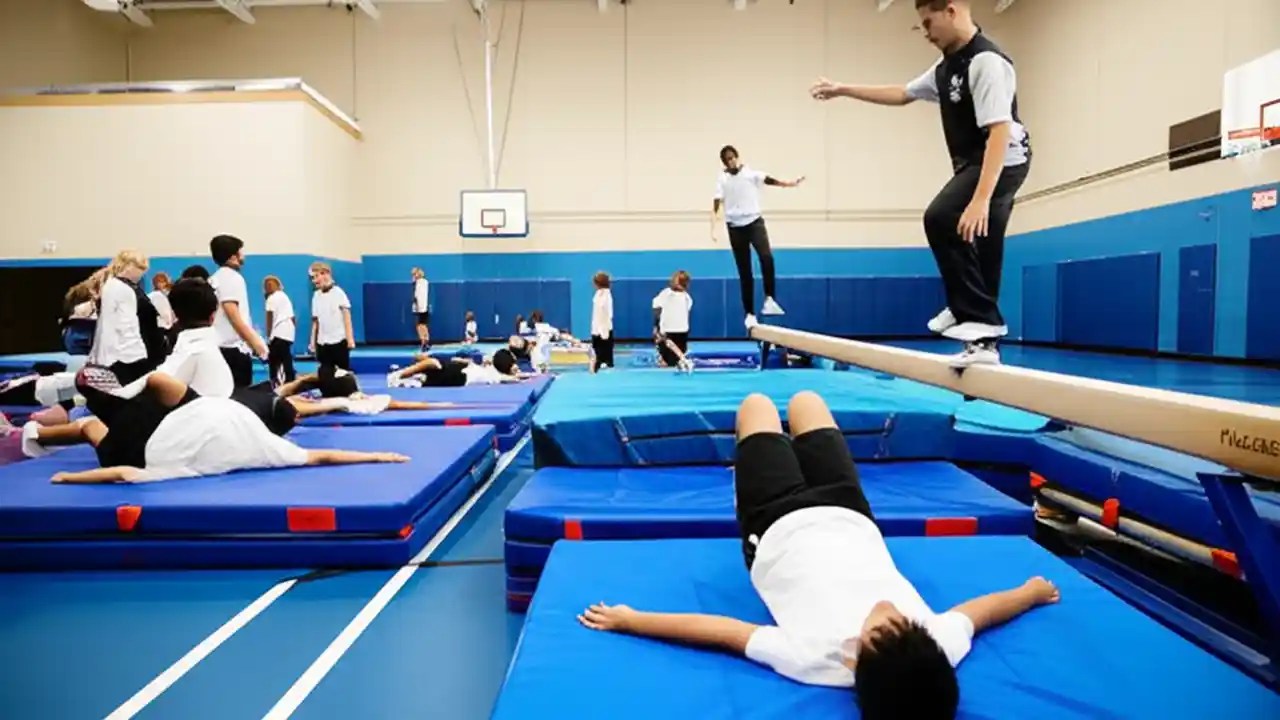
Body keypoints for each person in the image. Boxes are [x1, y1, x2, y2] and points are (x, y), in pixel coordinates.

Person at [578, 392, 1060, 719]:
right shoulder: (935, 648)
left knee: (757, 407)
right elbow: (978, 613)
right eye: (904, 622)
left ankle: (756, 448)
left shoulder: (810, 657)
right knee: (808, 403)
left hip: (774, 520)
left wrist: (631, 619)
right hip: (848, 509)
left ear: (854, 663)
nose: (888, 611)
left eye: (877, 628)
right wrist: (1030, 592)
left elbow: (722, 632)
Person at [809, 0, 1031, 368]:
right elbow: (902, 93)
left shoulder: (986, 62)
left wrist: (979, 200)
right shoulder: (946, 69)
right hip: (977, 164)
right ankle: (983, 341)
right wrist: (843, 89)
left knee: (942, 217)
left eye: (929, 23)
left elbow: (999, 131)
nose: (926, 33)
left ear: (953, 10)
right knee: (984, 250)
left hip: (1003, 159)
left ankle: (973, 314)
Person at [34, 372, 407, 484]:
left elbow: (124, 473)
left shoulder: (256, 422)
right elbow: (320, 456)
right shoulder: (266, 445)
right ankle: (44, 433)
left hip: (166, 427)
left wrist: (71, 476)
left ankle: (35, 436)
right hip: (162, 434)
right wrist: (70, 477)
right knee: (90, 428)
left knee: (97, 423)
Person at [712, 145, 803, 329]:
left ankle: (769, 299)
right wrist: (714, 226)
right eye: (727, 160)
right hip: (735, 228)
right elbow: (716, 202)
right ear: (724, 163)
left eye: (733, 158)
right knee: (745, 273)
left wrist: (790, 183)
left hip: (754, 222)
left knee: (766, 257)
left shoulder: (750, 174)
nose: (731, 162)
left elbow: (770, 180)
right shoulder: (722, 179)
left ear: (737, 157)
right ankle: (750, 314)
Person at [89, 251, 166, 385]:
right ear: (128, 265)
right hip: (130, 357)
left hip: (131, 353)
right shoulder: (122, 288)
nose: (143, 272)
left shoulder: (118, 286)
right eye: (141, 268)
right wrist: (137, 355)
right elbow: (127, 325)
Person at [209, 235, 268, 387]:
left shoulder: (216, 278)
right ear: (233, 257)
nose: (244, 255)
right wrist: (257, 345)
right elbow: (233, 316)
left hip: (220, 347)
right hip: (232, 350)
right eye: (241, 251)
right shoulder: (232, 278)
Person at [384, 349, 527, 388]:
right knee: (432, 366)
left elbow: (513, 378)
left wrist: (521, 375)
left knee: (433, 365)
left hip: (460, 377)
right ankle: (403, 374)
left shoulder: (495, 376)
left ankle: (399, 374)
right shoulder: (490, 367)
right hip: (462, 368)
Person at [309, 262, 355, 372]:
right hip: (323, 342)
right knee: (325, 373)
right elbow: (316, 322)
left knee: (342, 374)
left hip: (338, 340)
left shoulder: (338, 293)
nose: (314, 281)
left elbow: (346, 316)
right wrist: (312, 341)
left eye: (316, 277)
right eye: (312, 278)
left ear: (325, 274)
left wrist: (350, 339)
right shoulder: (316, 296)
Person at [652, 270, 693, 369]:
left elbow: (656, 307)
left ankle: (677, 360)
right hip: (676, 332)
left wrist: (656, 326)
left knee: (670, 361)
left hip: (672, 331)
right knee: (673, 360)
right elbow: (656, 307)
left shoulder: (673, 294)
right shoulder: (685, 297)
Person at [263, 275, 297, 386]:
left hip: (278, 332)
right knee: (285, 356)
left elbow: (269, 317)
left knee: (273, 359)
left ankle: (274, 381)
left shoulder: (271, 298)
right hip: (288, 332)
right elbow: (293, 317)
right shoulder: (285, 297)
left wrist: (268, 334)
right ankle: (290, 379)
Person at [590, 271, 614, 373]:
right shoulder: (598, 294)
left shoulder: (607, 295)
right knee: (596, 355)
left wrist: (604, 331)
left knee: (605, 357)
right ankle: (596, 368)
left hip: (604, 330)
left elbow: (608, 314)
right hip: (596, 329)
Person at [412, 267, 431, 352]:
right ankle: (426, 341)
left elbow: (417, 296)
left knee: (420, 326)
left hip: (421, 307)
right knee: (423, 324)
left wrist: (416, 306)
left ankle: (424, 342)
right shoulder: (425, 282)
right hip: (424, 306)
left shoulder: (419, 283)